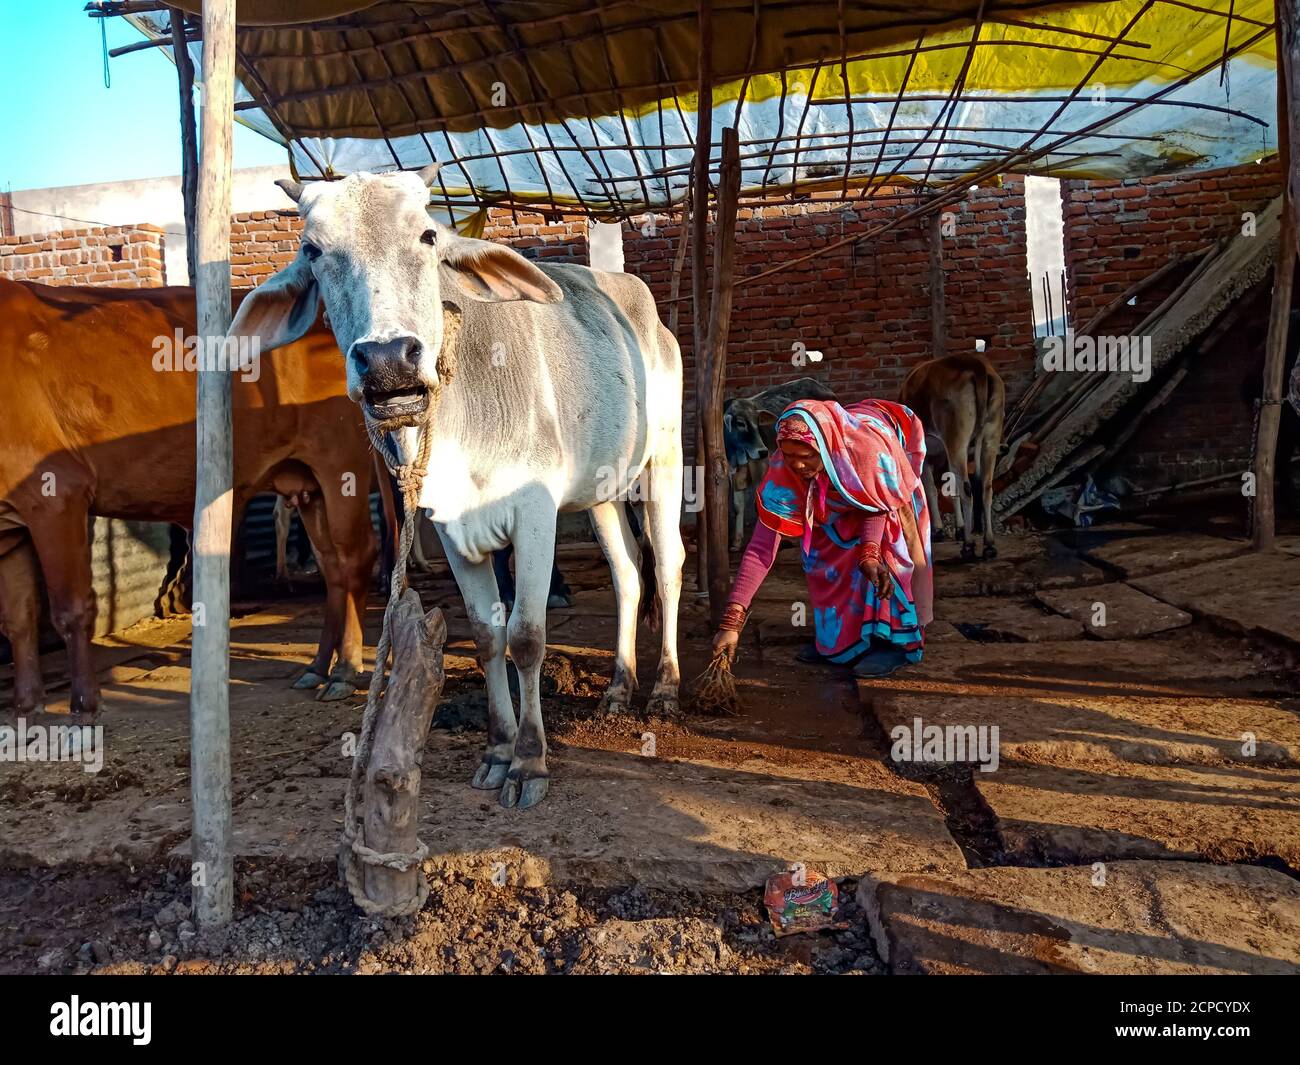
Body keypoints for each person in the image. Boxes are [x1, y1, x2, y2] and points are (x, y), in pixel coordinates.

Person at [710, 397, 933, 678]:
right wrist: (731, 622)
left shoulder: (866, 454)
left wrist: (870, 552)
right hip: (837, 493)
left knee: (888, 551)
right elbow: (761, 548)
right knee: (822, 553)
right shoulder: (784, 474)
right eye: (790, 456)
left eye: (807, 457)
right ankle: (848, 642)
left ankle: (896, 643)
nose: (798, 466)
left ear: (826, 448)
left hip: (884, 494)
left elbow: (877, 504)